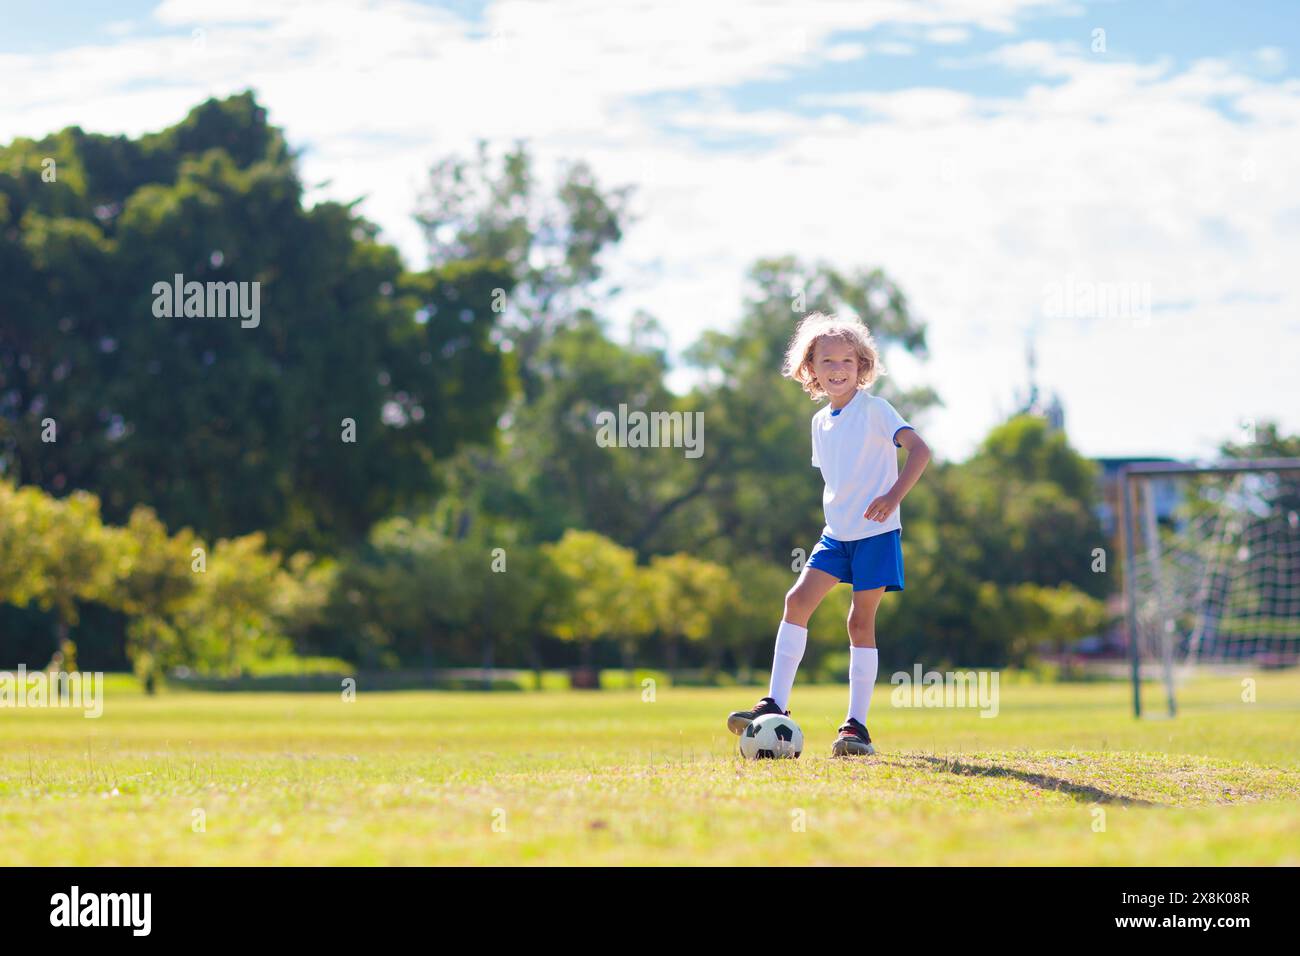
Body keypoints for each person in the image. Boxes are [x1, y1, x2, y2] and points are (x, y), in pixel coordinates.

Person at [727, 312, 931, 756]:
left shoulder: (876, 410)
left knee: (859, 621)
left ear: (862, 366)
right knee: (796, 601)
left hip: (876, 535)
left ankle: (856, 727)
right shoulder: (820, 423)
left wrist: (893, 496)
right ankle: (774, 704)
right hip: (835, 536)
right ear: (810, 369)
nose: (837, 369)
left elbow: (921, 451)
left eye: (847, 361)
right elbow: (838, 480)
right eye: (827, 361)